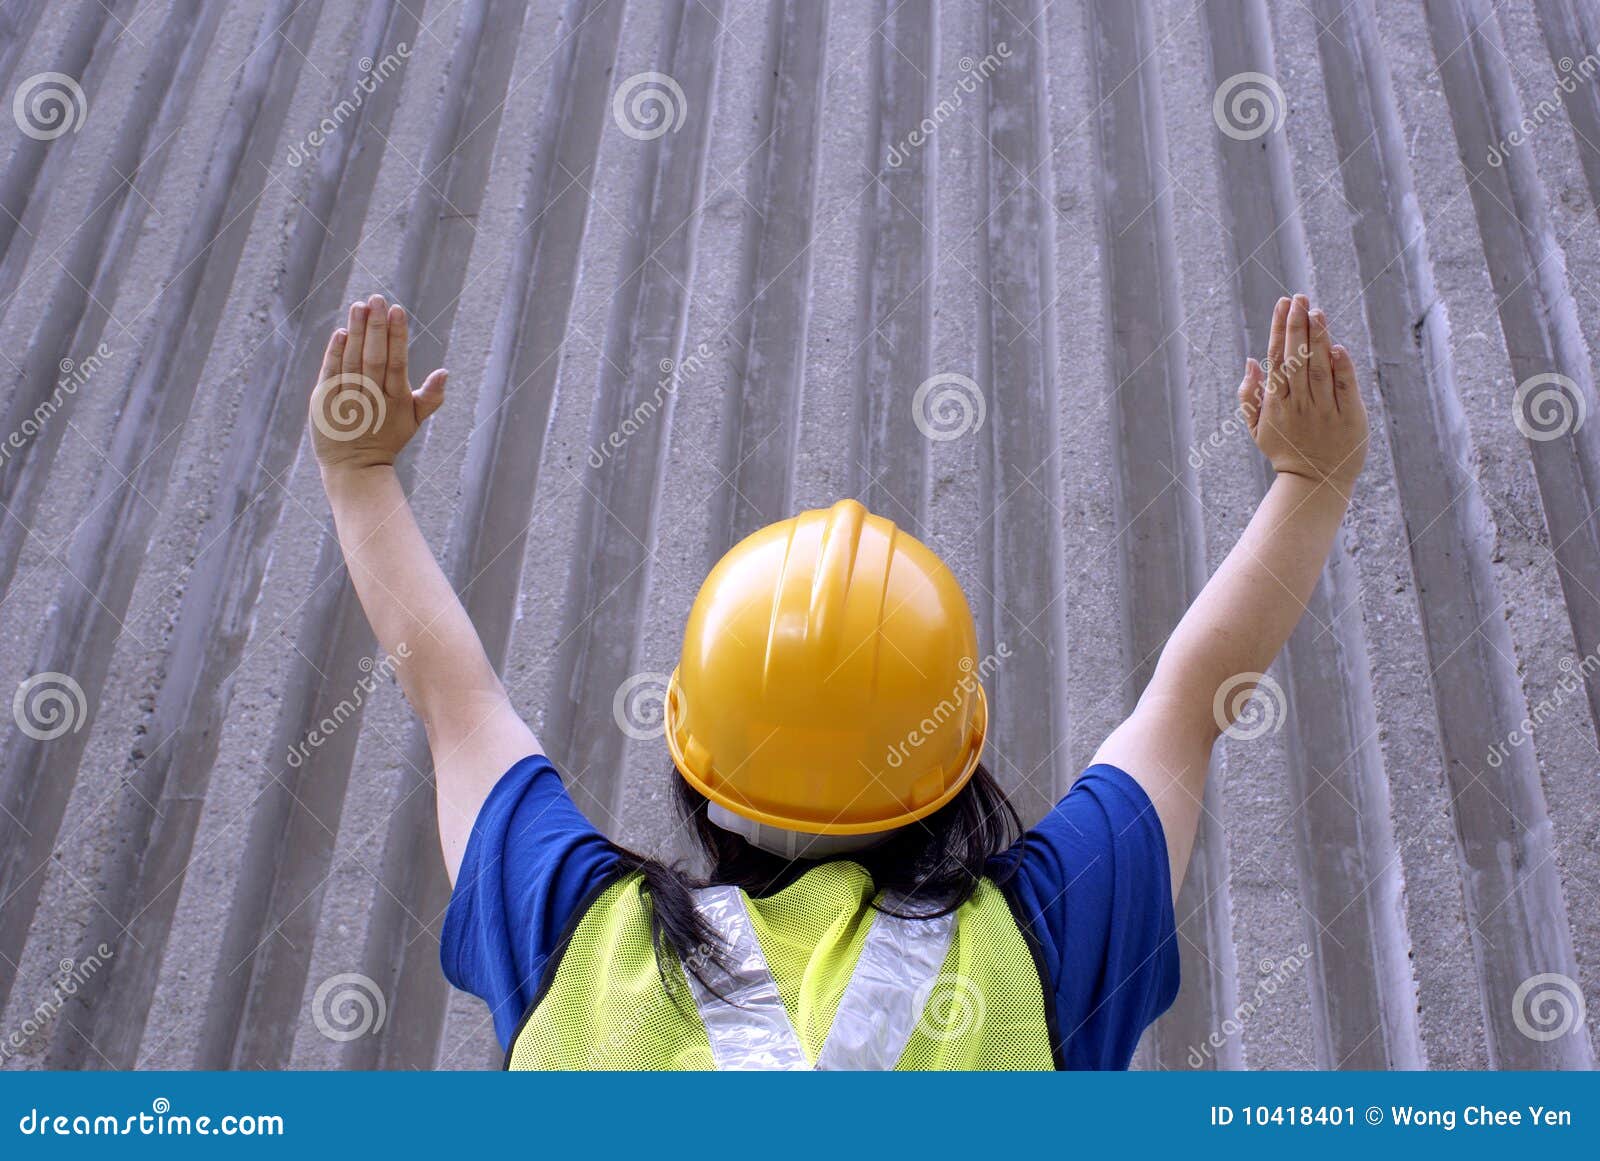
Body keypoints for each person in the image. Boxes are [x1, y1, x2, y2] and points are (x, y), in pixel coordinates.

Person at [310, 292, 1368, 1069]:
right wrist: (1310, 482)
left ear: (690, 748)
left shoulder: (577, 938)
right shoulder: (1030, 949)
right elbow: (1189, 706)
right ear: (957, 761)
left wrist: (356, 476)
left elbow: (454, 704)